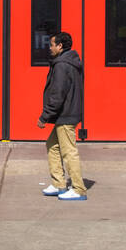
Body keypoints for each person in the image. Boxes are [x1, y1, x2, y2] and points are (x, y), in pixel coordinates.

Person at [37, 31, 86, 201]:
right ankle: (59, 184)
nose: (49, 48)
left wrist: (45, 116)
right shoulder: (70, 62)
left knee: (69, 151)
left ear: (60, 46)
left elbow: (58, 94)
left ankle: (79, 189)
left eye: (52, 44)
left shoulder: (62, 65)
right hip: (65, 114)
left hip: (65, 115)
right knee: (52, 145)